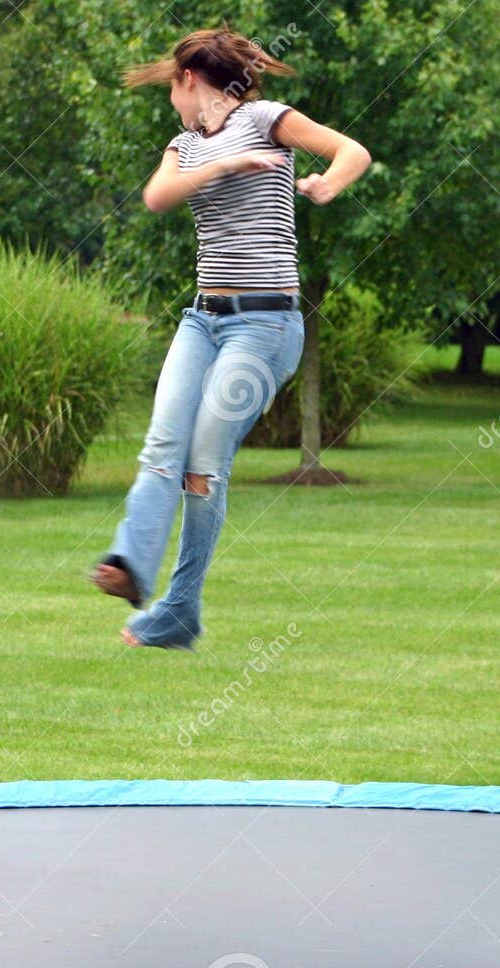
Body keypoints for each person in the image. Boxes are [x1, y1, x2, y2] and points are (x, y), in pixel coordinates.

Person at [90, 27, 371, 649]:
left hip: (265, 325)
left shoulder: (268, 118)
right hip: (203, 319)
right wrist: (225, 163)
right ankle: (133, 566)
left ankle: (179, 609)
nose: (172, 102)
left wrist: (328, 185)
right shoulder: (184, 145)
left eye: (172, 89)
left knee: (202, 464)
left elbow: (351, 150)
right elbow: (158, 196)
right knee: (165, 439)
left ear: (190, 80)